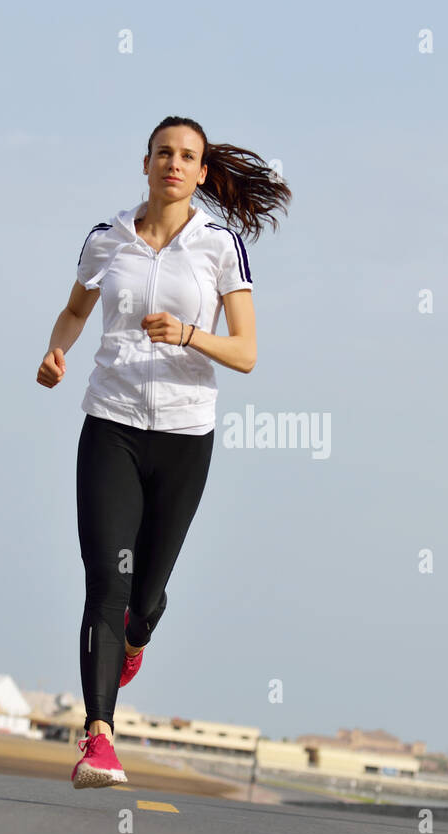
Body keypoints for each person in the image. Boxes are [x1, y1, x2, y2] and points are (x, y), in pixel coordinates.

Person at [36, 116, 291, 788]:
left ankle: (138, 635)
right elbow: (74, 310)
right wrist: (56, 350)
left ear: (203, 173)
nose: (174, 164)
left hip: (184, 435)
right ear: (145, 163)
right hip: (110, 424)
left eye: (188, 157)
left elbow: (247, 353)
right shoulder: (106, 239)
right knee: (105, 582)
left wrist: (187, 334)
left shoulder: (219, 247)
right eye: (164, 153)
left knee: (141, 601)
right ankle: (99, 739)